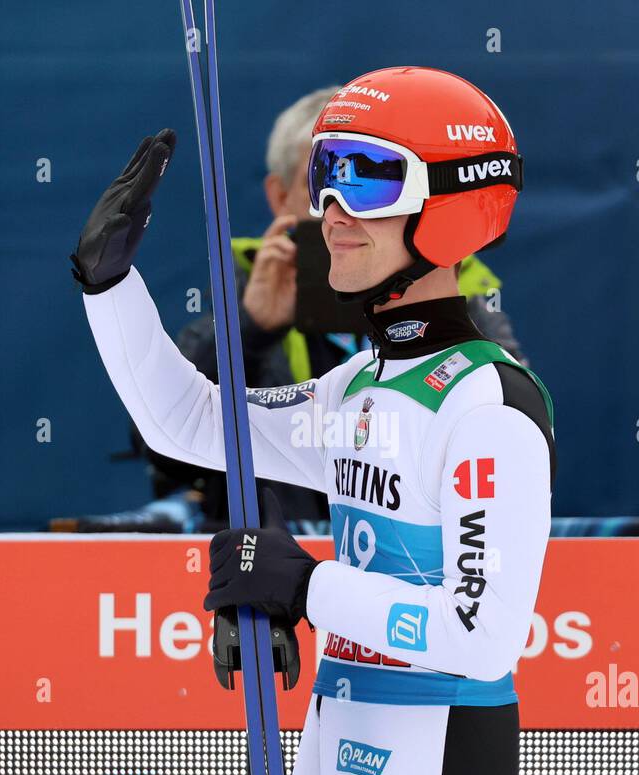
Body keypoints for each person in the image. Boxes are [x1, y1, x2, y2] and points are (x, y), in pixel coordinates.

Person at [72, 66, 554, 775]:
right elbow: (190, 422)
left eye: (366, 178)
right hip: (335, 733)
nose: (331, 210)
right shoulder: (358, 385)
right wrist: (110, 287)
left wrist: (304, 584)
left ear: (450, 204)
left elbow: (481, 639)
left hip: (434, 755)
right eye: (326, 176)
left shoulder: (487, 404)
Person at [134, 86, 529, 533]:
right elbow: (164, 442)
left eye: (371, 179)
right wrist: (250, 328)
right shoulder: (246, 286)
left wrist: (445, 310)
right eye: (323, 179)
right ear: (279, 196)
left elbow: (508, 439)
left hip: (413, 555)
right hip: (274, 551)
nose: (342, 210)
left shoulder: (458, 281)